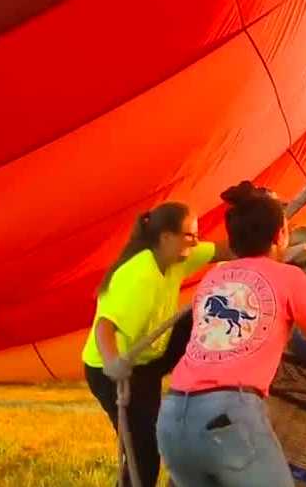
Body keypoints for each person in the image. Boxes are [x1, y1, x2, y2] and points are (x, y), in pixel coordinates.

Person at [156, 181, 306, 487]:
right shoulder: (288, 278)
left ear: (233, 243)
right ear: (281, 235)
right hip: (229, 415)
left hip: (173, 417)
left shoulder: (214, 277)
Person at [81, 202, 233, 487]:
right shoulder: (139, 275)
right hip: (113, 370)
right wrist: (115, 363)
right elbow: (104, 327)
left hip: (150, 361)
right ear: (166, 237)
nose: (196, 241)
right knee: (144, 456)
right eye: (189, 235)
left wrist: (275, 233)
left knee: (203, 309)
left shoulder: (178, 257)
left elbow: (227, 249)